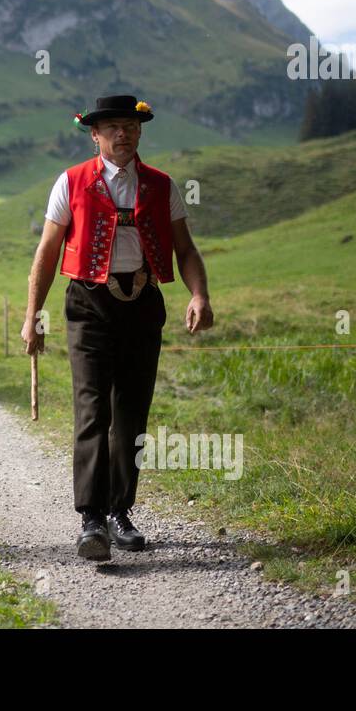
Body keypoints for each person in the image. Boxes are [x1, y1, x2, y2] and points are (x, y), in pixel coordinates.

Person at [20, 95, 214, 561]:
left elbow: (185, 249)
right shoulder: (70, 183)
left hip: (144, 304)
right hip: (88, 304)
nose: (122, 134)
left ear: (140, 132)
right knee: (92, 410)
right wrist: (33, 316)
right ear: (95, 135)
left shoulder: (162, 186)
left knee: (131, 414)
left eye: (130, 126)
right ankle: (91, 520)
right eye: (112, 127)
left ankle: (120, 511)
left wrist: (199, 294)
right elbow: (47, 253)